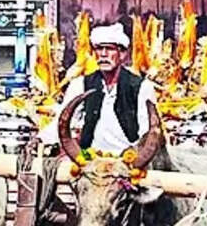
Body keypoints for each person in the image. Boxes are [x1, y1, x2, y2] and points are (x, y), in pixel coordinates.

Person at [38, 23, 157, 155]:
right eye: (99, 49)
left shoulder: (142, 87)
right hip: (90, 158)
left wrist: (132, 158)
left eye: (110, 49)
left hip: (127, 161)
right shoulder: (80, 84)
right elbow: (62, 121)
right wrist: (41, 140)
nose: (104, 54)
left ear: (122, 54)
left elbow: (147, 133)